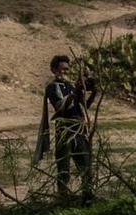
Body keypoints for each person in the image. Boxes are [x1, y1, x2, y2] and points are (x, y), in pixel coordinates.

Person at [37, 55, 98, 203]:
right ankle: (63, 198)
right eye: (62, 69)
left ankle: (87, 197)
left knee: (85, 163)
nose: (65, 72)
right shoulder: (52, 87)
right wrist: (76, 91)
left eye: (67, 69)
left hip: (79, 128)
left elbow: (84, 106)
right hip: (64, 129)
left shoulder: (71, 86)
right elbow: (61, 107)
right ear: (54, 70)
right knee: (63, 167)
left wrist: (94, 92)